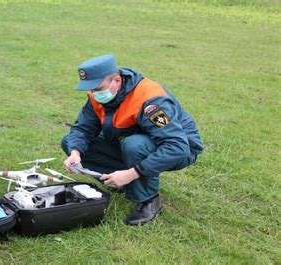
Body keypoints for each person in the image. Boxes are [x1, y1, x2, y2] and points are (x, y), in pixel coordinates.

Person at [61, 55, 203, 225]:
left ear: (117, 80)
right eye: (91, 89)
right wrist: (75, 153)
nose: (95, 94)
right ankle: (122, 182)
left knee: (134, 146)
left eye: (98, 88)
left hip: (181, 148)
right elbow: (82, 128)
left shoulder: (151, 100)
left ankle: (149, 199)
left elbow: (178, 147)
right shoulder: (97, 96)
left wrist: (131, 173)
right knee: (70, 142)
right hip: (128, 140)